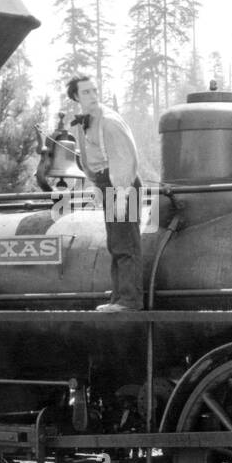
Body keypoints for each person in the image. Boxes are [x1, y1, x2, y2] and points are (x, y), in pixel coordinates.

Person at [66, 74, 143, 311]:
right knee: (115, 243)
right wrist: (95, 184)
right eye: (86, 92)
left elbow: (125, 159)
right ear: (76, 97)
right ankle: (119, 297)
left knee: (126, 243)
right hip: (105, 183)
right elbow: (90, 161)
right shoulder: (85, 122)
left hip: (122, 184)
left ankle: (130, 301)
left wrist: (120, 194)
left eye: (94, 91)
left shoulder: (108, 122)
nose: (92, 96)